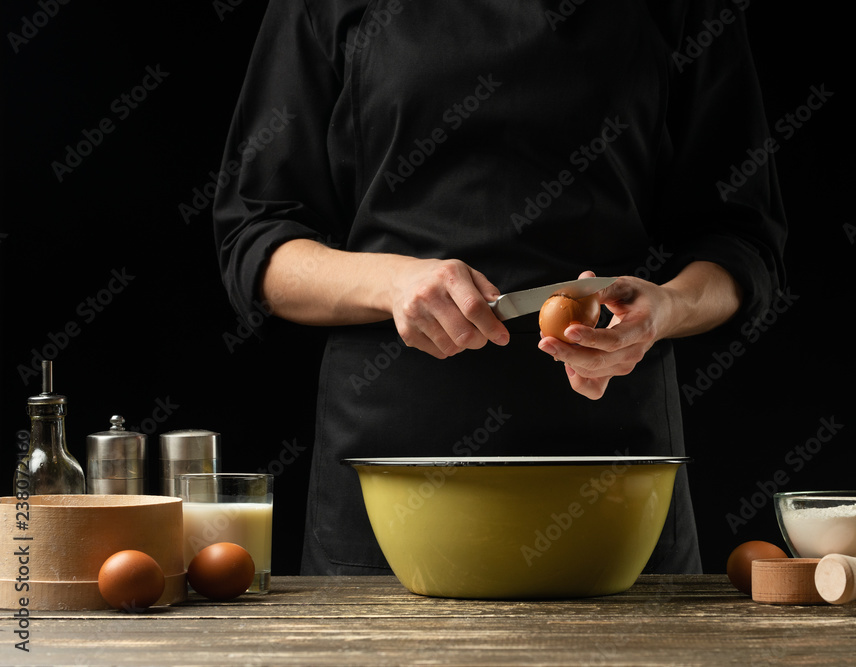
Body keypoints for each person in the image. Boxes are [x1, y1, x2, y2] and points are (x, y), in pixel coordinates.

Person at [214, 0, 786, 576]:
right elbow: (257, 242)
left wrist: (668, 308)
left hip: (612, 466)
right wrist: (392, 282)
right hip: (397, 466)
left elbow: (741, 246)